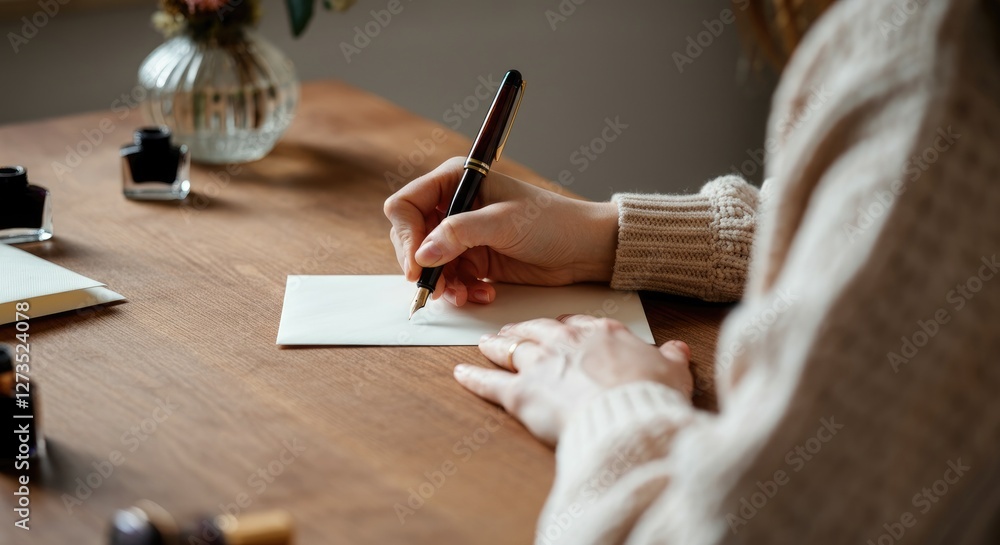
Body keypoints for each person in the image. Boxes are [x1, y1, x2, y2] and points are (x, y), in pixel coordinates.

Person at [384, 0, 1000, 542]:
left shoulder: (942, 58)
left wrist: (614, 404)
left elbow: (738, 530)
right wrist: (603, 239)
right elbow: (868, 220)